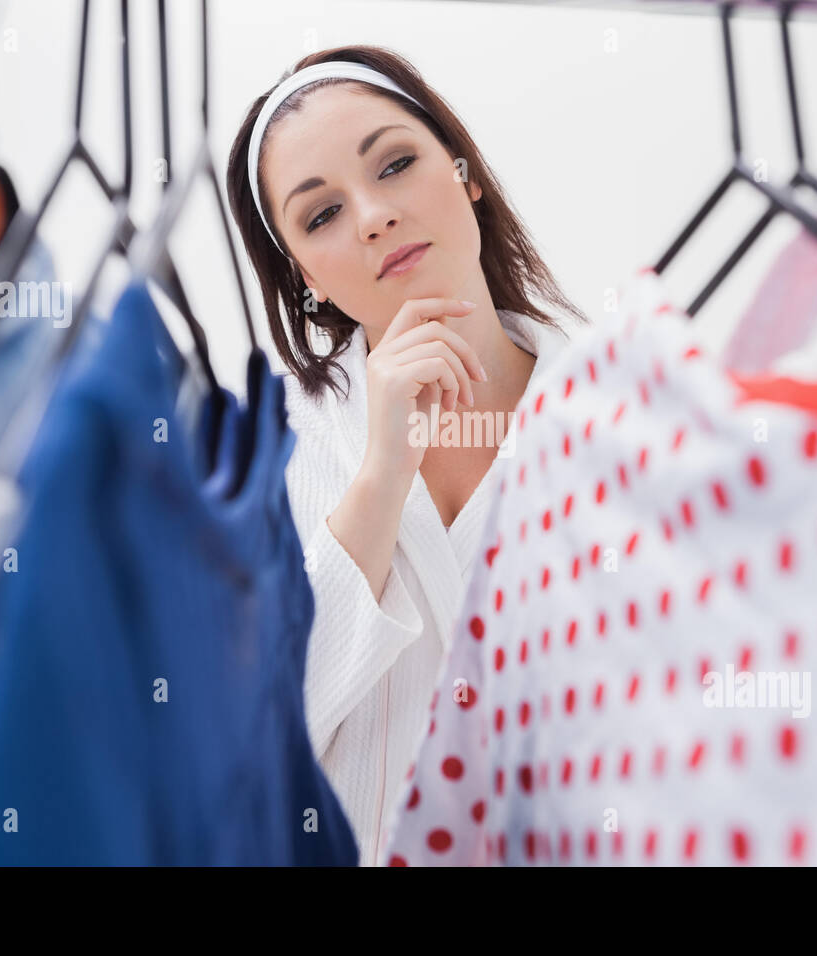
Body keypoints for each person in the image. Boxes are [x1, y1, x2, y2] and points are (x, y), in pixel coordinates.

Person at [225, 45, 587, 864]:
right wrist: (382, 475)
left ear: (467, 173)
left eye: (394, 164)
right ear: (305, 277)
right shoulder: (261, 442)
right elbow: (245, 738)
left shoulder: (621, 407)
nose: (372, 216)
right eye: (321, 216)